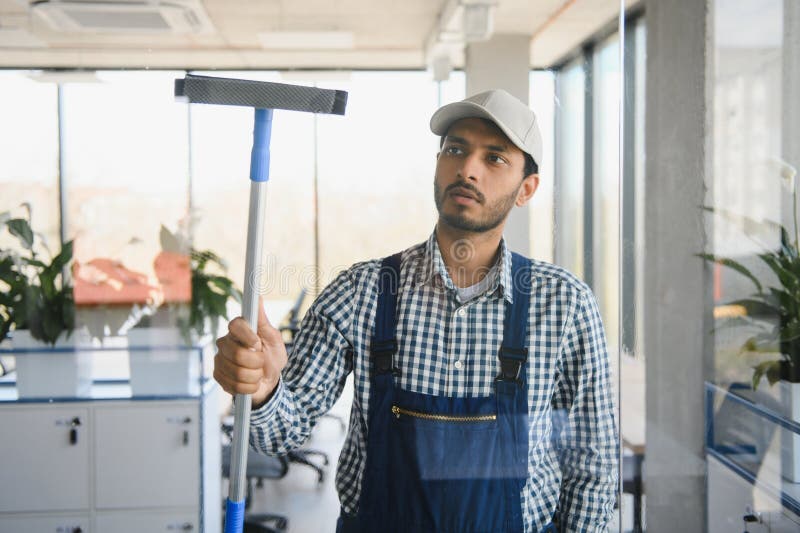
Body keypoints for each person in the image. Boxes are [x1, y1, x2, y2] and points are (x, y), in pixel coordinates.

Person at [214, 89, 619, 532]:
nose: (467, 168)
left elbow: (592, 469)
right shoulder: (361, 293)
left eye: (495, 158)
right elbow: (278, 435)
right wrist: (262, 390)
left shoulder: (563, 307)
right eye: (455, 149)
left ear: (527, 189)